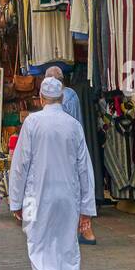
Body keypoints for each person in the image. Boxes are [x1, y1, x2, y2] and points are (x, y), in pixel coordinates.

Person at [9, 76, 96, 270]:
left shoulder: (32, 123)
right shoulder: (74, 125)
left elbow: (21, 164)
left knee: (38, 244)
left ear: (41, 98)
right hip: (68, 197)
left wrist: (16, 201)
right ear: (61, 98)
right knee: (67, 248)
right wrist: (87, 208)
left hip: (36, 198)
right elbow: (84, 168)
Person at [45, 66, 96, 245]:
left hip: (59, 150)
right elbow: (76, 123)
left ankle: (77, 228)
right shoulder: (71, 95)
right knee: (76, 186)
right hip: (68, 148)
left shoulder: (63, 98)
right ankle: (81, 228)